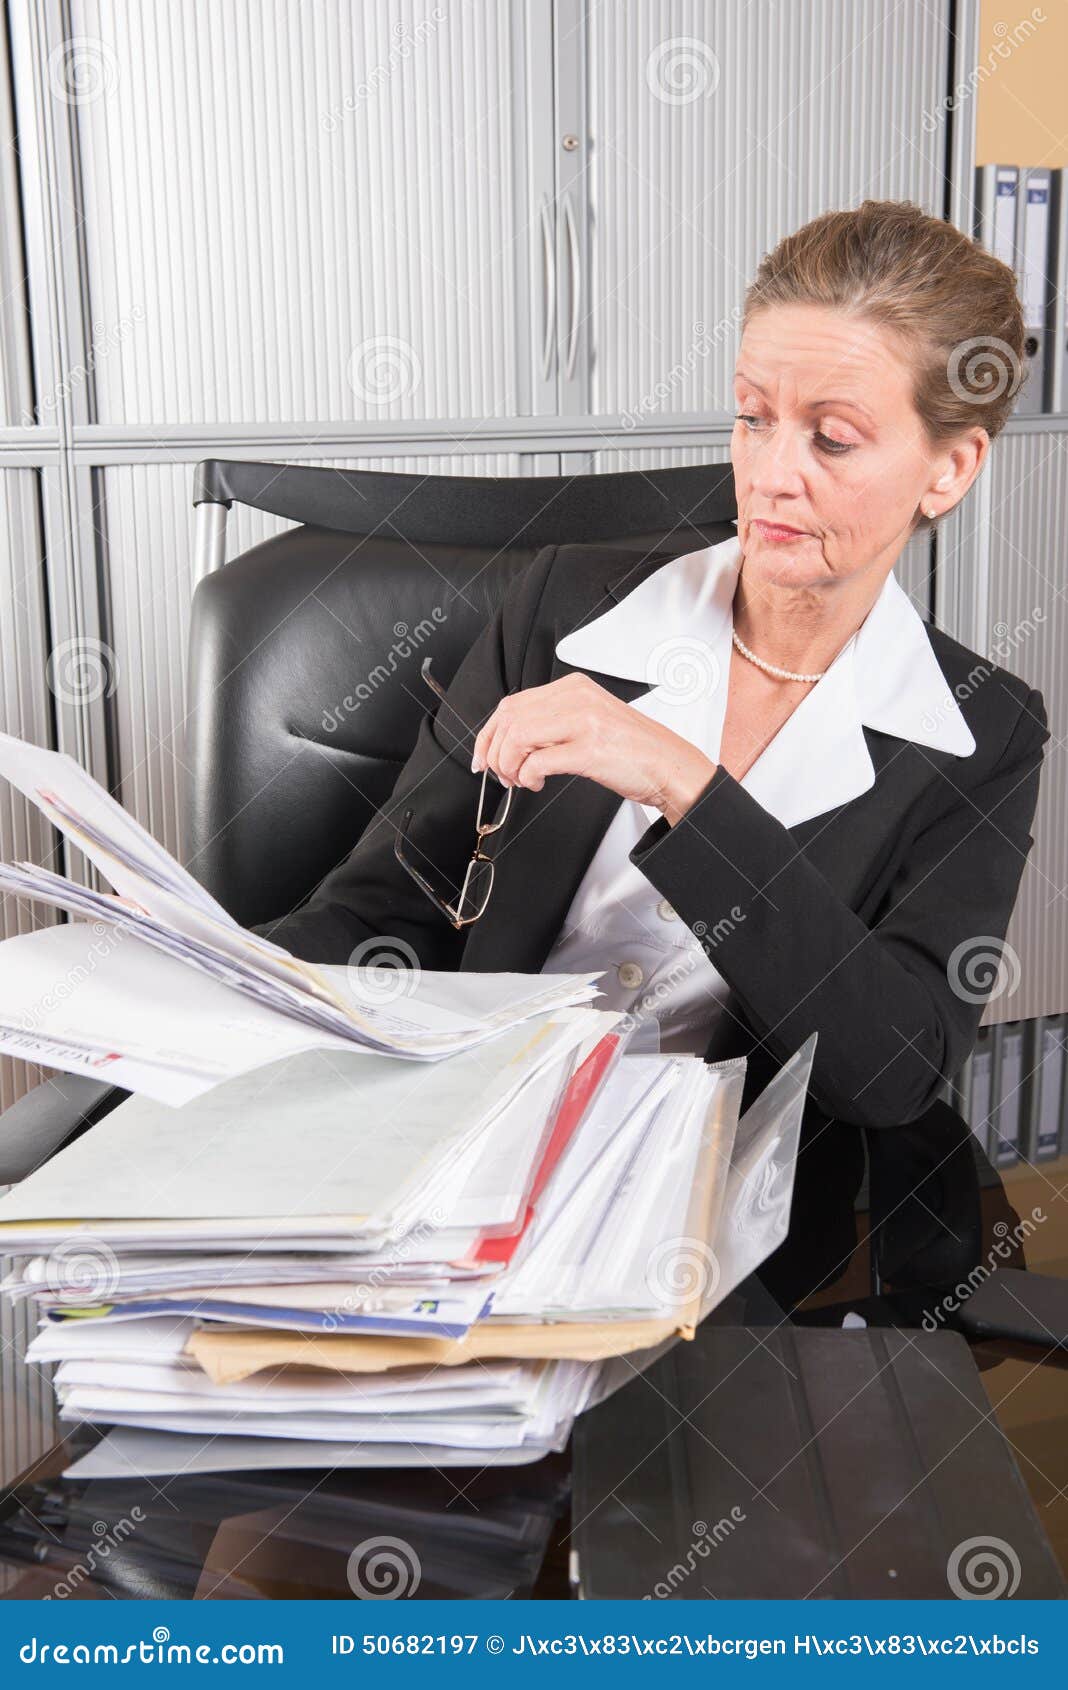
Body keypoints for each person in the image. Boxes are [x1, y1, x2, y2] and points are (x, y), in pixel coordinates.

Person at [255, 200, 1049, 1309]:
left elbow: (892, 1065)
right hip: (460, 1152)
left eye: (830, 437)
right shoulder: (562, 607)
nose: (772, 473)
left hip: (720, 1231)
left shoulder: (982, 730)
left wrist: (686, 784)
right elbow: (393, 900)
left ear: (948, 469)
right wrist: (236, 986)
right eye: (751, 416)